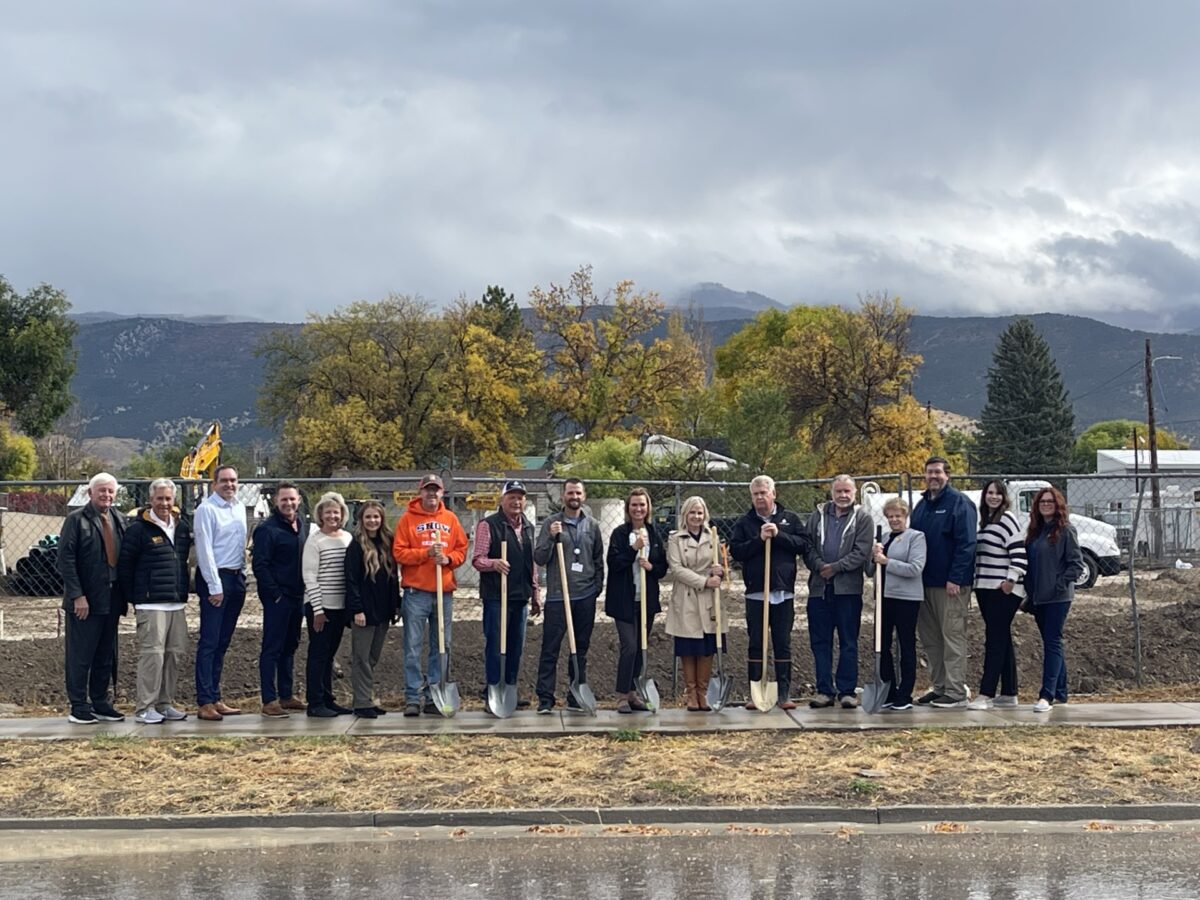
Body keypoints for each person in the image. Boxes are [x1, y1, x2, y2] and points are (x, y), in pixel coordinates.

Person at [730, 474, 809, 710]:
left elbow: (803, 545)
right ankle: (756, 690)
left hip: (783, 592)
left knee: (782, 642)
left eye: (764, 492)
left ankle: (783, 693)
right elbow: (736, 551)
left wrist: (778, 535)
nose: (760, 497)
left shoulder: (790, 519)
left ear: (773, 494)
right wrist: (758, 538)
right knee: (756, 643)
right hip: (756, 592)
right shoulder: (744, 523)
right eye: (755, 494)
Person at [117, 478, 192, 725]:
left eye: (168, 498)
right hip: (150, 605)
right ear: (150, 500)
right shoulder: (138, 530)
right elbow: (125, 567)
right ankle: (144, 708)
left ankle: (164, 703)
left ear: (174, 500)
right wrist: (136, 598)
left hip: (176, 603)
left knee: (173, 654)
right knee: (153, 656)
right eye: (159, 498)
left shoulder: (181, 527)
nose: (164, 503)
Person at [392, 474, 469, 717]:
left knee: (442, 646)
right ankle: (413, 697)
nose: (432, 494)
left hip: (443, 593)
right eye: (428, 490)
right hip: (416, 593)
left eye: (436, 490)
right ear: (421, 492)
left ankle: (435, 695)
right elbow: (399, 553)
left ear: (442, 493)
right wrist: (424, 554)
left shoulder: (451, 519)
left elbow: (461, 550)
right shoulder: (407, 520)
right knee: (413, 647)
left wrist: (448, 559)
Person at [57, 472, 129, 724]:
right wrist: (77, 595)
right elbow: (65, 560)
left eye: (111, 491)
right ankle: (78, 705)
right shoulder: (76, 521)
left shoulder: (119, 520)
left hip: (112, 599)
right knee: (81, 655)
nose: (106, 495)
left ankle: (100, 702)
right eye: (102, 491)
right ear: (90, 493)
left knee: (105, 654)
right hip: (85, 602)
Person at [909, 456, 977, 709]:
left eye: (938, 472)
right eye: (929, 472)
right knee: (931, 639)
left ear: (947, 475)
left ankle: (956, 691)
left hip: (950, 586)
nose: (933, 476)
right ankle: (939, 687)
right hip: (922, 583)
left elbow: (967, 544)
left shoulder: (959, 503)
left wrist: (955, 578)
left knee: (952, 637)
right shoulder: (921, 505)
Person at [801, 475, 874, 709]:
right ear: (831, 493)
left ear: (854, 493)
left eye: (847, 491)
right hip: (819, 590)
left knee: (848, 641)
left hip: (848, 591)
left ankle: (847, 691)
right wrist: (819, 566)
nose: (843, 495)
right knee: (820, 642)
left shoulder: (862, 518)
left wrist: (836, 568)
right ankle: (824, 690)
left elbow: (862, 551)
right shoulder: (817, 516)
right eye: (839, 491)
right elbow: (807, 546)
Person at [533, 477, 605, 714]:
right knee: (550, 648)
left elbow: (597, 559)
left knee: (581, 648)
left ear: (583, 496)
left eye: (578, 493)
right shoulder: (552, 523)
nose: (574, 497)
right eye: (570, 493)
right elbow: (540, 558)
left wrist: (596, 588)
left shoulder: (592, 525)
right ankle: (545, 698)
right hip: (557, 595)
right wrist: (552, 538)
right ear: (563, 496)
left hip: (584, 596)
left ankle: (576, 695)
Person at [472, 480, 541, 713]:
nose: (516, 501)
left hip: (519, 597)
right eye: (512, 496)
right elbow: (477, 559)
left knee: (515, 647)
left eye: (520, 497)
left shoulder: (529, 527)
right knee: (495, 645)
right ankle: (493, 690)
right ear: (503, 500)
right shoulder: (489, 525)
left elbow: (531, 563)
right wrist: (494, 563)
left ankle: (509, 688)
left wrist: (535, 592)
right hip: (496, 597)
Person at [605, 487, 668, 714]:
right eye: (634, 505)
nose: (638, 509)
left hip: (646, 600)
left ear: (648, 508)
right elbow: (614, 563)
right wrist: (633, 549)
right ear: (628, 508)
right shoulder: (620, 534)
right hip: (623, 600)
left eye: (642, 505)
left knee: (641, 647)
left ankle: (633, 693)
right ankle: (622, 694)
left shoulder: (654, 533)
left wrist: (651, 567)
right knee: (630, 646)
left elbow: (663, 567)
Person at [193, 465, 248, 722]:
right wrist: (215, 587)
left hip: (236, 577)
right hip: (216, 579)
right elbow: (204, 550)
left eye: (233, 480)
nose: (229, 485)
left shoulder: (238, 507)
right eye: (224, 480)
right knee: (210, 641)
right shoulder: (206, 509)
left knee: (223, 642)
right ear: (214, 483)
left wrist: (243, 574)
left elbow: (240, 543)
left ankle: (215, 697)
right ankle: (204, 701)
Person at [967, 480, 1029, 710]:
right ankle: (1009, 692)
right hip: (984, 588)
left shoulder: (1006, 519)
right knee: (1002, 638)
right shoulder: (985, 522)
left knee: (994, 639)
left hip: (1002, 590)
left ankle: (986, 694)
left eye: (998, 493)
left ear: (1004, 497)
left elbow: (1019, 554)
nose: (993, 497)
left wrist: (1011, 580)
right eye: (989, 493)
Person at [251, 482, 310, 718]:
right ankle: (269, 699)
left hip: (297, 596)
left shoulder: (301, 525)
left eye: (292, 499)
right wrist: (274, 594)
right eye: (284, 499)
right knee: (272, 648)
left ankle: (286, 695)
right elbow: (260, 565)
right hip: (278, 598)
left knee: (290, 646)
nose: (288, 503)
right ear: (275, 501)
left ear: (299, 501)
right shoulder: (267, 529)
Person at [665, 496, 726, 712]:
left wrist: (719, 572)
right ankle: (691, 694)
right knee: (689, 648)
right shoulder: (675, 539)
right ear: (685, 515)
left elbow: (719, 563)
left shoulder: (713, 536)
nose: (696, 517)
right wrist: (704, 581)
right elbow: (677, 569)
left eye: (700, 513)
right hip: (687, 597)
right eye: (692, 512)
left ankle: (703, 692)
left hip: (709, 599)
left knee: (707, 648)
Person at [1025, 486, 1083, 712]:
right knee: (1052, 643)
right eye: (1042, 502)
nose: (1046, 505)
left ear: (1058, 505)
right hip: (1038, 599)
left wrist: (1058, 585)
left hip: (1057, 598)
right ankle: (1061, 692)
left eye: (1050, 501)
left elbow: (1076, 565)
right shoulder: (1035, 532)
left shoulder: (1066, 531)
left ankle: (1046, 695)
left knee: (1052, 642)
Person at [871, 497, 926, 711]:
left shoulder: (916, 537)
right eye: (890, 516)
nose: (894, 519)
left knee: (906, 644)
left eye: (898, 516)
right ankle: (889, 690)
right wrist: (873, 557)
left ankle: (905, 693)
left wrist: (887, 562)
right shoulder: (883, 538)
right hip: (884, 598)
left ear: (905, 516)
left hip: (906, 599)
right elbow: (871, 570)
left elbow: (915, 568)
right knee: (881, 644)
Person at [346, 499, 399, 718]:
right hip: (364, 612)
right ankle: (361, 703)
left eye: (376, 517)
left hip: (383, 610)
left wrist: (396, 604)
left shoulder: (388, 541)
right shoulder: (356, 544)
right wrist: (357, 609)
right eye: (368, 517)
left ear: (382, 519)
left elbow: (393, 578)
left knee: (373, 657)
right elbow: (351, 580)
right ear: (361, 519)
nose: (372, 521)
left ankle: (367, 697)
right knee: (361, 657)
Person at [302, 491, 353, 717]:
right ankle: (315, 702)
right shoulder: (314, 541)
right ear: (320, 515)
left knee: (330, 654)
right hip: (320, 607)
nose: (332, 516)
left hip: (340, 606)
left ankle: (328, 698)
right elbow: (309, 575)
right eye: (328, 512)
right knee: (318, 653)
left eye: (336, 512)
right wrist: (317, 609)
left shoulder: (348, 538)